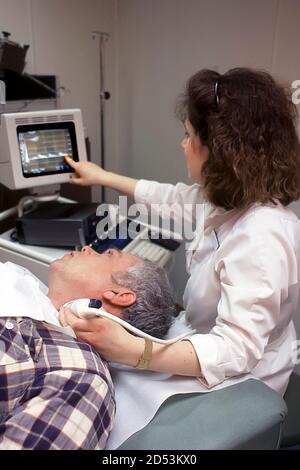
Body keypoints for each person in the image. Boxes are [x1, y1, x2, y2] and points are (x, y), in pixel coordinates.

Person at [61, 68, 300, 448]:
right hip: (205, 335)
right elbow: (172, 198)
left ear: (219, 151)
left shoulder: (262, 236)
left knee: (126, 413)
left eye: (189, 136)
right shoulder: (229, 199)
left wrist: (135, 352)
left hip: (246, 374)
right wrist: (102, 176)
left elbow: (236, 349)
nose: (182, 144)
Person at [0, 248, 175, 449]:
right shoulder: (24, 288)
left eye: (108, 254)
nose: (86, 248)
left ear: (119, 295)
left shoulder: (82, 377)